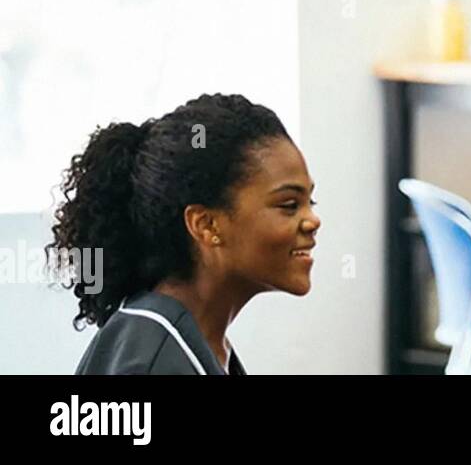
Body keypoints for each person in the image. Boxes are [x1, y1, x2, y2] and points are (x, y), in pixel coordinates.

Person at [49, 93, 320, 375]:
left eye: (310, 203)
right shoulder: (152, 362)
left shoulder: (197, 344)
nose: (313, 221)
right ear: (206, 225)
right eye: (289, 205)